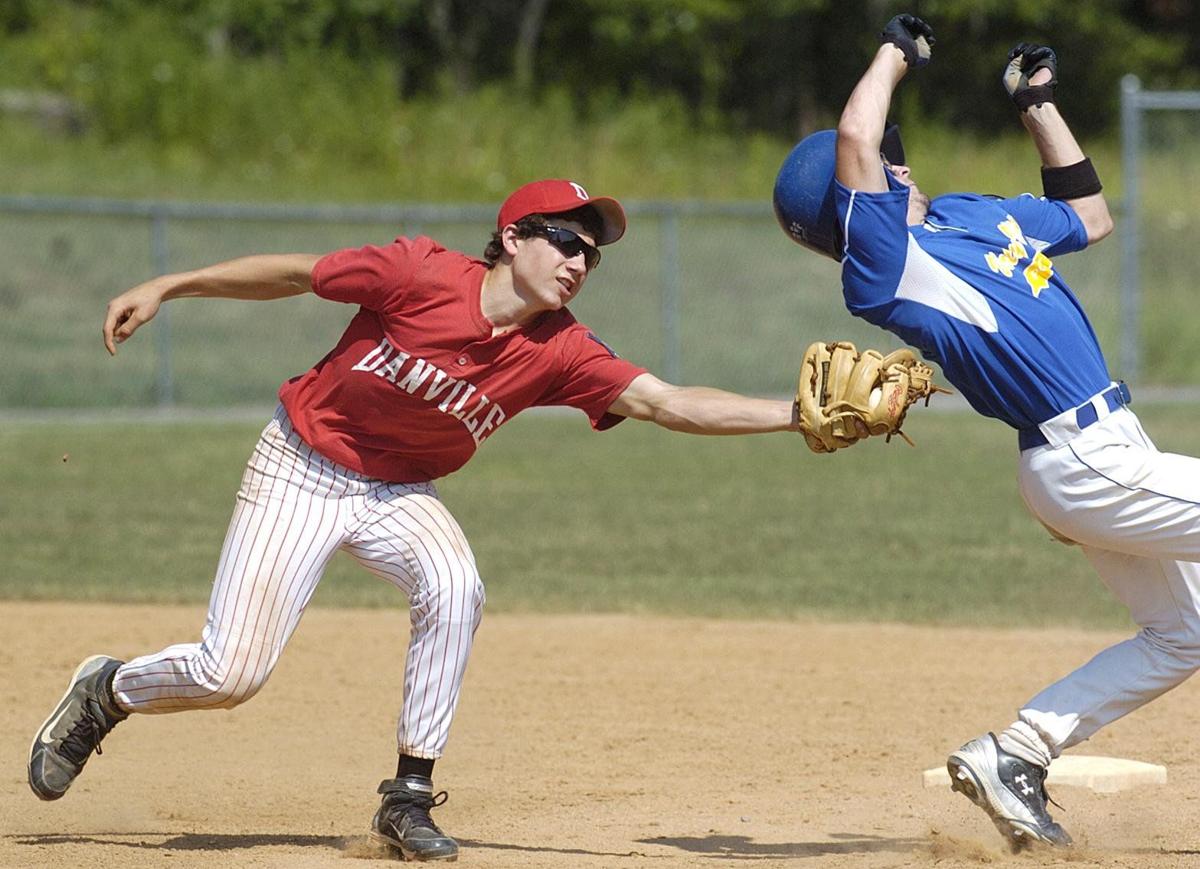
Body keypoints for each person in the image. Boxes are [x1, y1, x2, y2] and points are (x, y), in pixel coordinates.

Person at [28, 179, 800, 862]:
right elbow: (296, 273)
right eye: (565, 239)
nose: (579, 261)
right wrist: (172, 283)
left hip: (399, 491)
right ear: (511, 238)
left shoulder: (561, 351)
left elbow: (668, 402)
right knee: (229, 675)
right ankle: (110, 690)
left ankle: (407, 796)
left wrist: (794, 415)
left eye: (591, 255)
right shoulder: (419, 272)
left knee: (455, 584)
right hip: (301, 463)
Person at [774, 13, 1200, 852]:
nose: (900, 163)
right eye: (887, 161)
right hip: (1079, 457)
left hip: (1110, 449)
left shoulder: (966, 218)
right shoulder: (889, 268)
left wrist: (1037, 105)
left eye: (899, 154)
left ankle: (1016, 753)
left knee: (1185, 631)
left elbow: (1087, 214)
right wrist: (894, 52)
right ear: (851, 213)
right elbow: (856, 141)